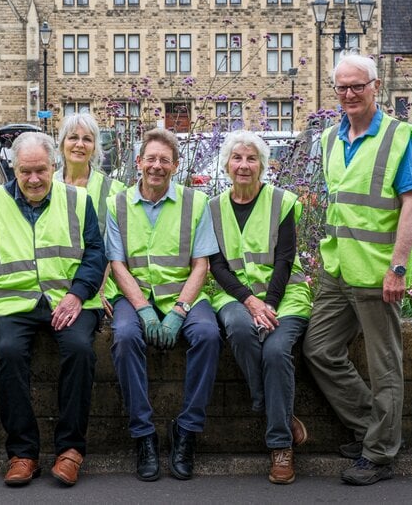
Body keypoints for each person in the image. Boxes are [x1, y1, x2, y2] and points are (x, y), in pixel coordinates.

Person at [303, 54, 412, 486]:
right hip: (337, 268)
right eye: (342, 88)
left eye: (357, 86)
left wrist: (398, 267)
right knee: (319, 349)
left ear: (376, 86)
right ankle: (376, 429)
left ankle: (380, 454)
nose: (349, 94)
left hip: (376, 273)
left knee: (385, 366)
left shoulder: (397, 136)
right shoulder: (331, 140)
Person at [0, 132, 105, 487]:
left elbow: (95, 252)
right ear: (13, 168)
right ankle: (22, 454)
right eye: (25, 171)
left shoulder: (77, 199)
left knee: (80, 351)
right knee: (10, 353)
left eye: (41, 171)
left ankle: (71, 450)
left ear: (54, 166)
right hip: (12, 301)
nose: (33, 179)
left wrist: (78, 293)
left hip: (69, 298)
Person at [106, 128, 220, 482]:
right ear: (138, 163)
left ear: (176, 166)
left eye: (164, 161)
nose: (157, 166)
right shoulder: (117, 203)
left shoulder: (196, 202)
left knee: (209, 336)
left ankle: (187, 430)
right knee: (124, 337)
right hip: (133, 294)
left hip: (183, 296)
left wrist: (178, 311)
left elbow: (201, 265)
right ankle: (143, 435)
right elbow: (117, 264)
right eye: (151, 159)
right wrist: (142, 308)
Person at [207, 130, 312, 485]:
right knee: (238, 327)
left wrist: (268, 305)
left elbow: (285, 260)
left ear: (263, 166)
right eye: (237, 158)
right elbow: (217, 266)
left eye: (252, 159)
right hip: (236, 296)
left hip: (285, 297)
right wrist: (251, 303)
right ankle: (274, 411)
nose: (244, 165)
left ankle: (280, 446)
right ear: (226, 164)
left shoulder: (281, 201)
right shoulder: (212, 208)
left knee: (276, 352)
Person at [54, 112, 126, 313]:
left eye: (87, 139)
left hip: (98, 285)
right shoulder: (46, 186)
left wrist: (99, 289)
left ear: (95, 147)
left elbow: (114, 248)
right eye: (73, 137)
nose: (79, 144)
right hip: (54, 285)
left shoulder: (115, 191)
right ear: (62, 144)